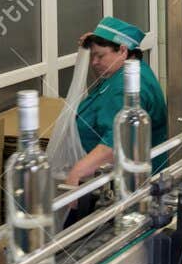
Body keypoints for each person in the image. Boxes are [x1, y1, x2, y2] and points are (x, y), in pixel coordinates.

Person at [64, 17, 170, 185]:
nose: (94, 62)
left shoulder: (128, 87)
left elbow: (116, 143)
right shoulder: (124, 69)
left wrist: (78, 171)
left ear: (122, 51)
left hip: (130, 182)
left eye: (100, 56)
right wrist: (98, 41)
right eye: (92, 56)